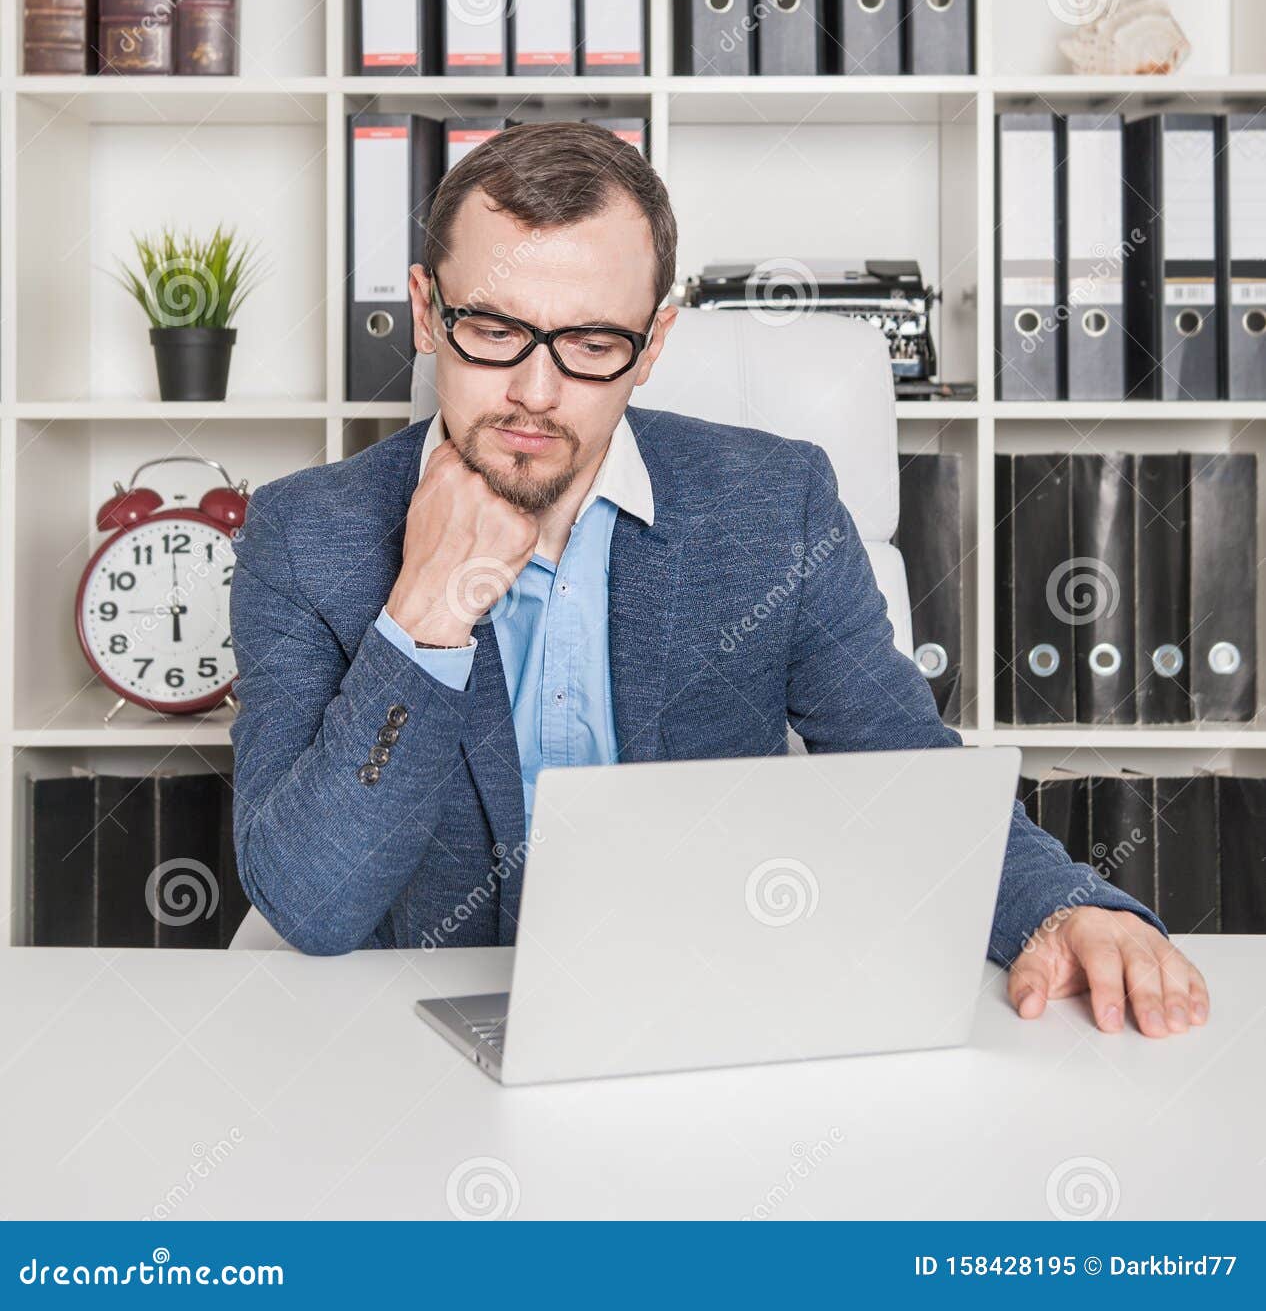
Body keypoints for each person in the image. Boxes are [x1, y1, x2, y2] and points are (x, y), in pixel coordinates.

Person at [229, 120, 1208, 1038]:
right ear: (426, 311)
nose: (534, 391)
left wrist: (1064, 904)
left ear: (652, 344)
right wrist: (425, 615)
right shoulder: (306, 533)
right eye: (492, 328)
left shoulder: (776, 503)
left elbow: (903, 765)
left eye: (592, 344)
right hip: (412, 1049)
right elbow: (312, 900)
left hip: (707, 1025)